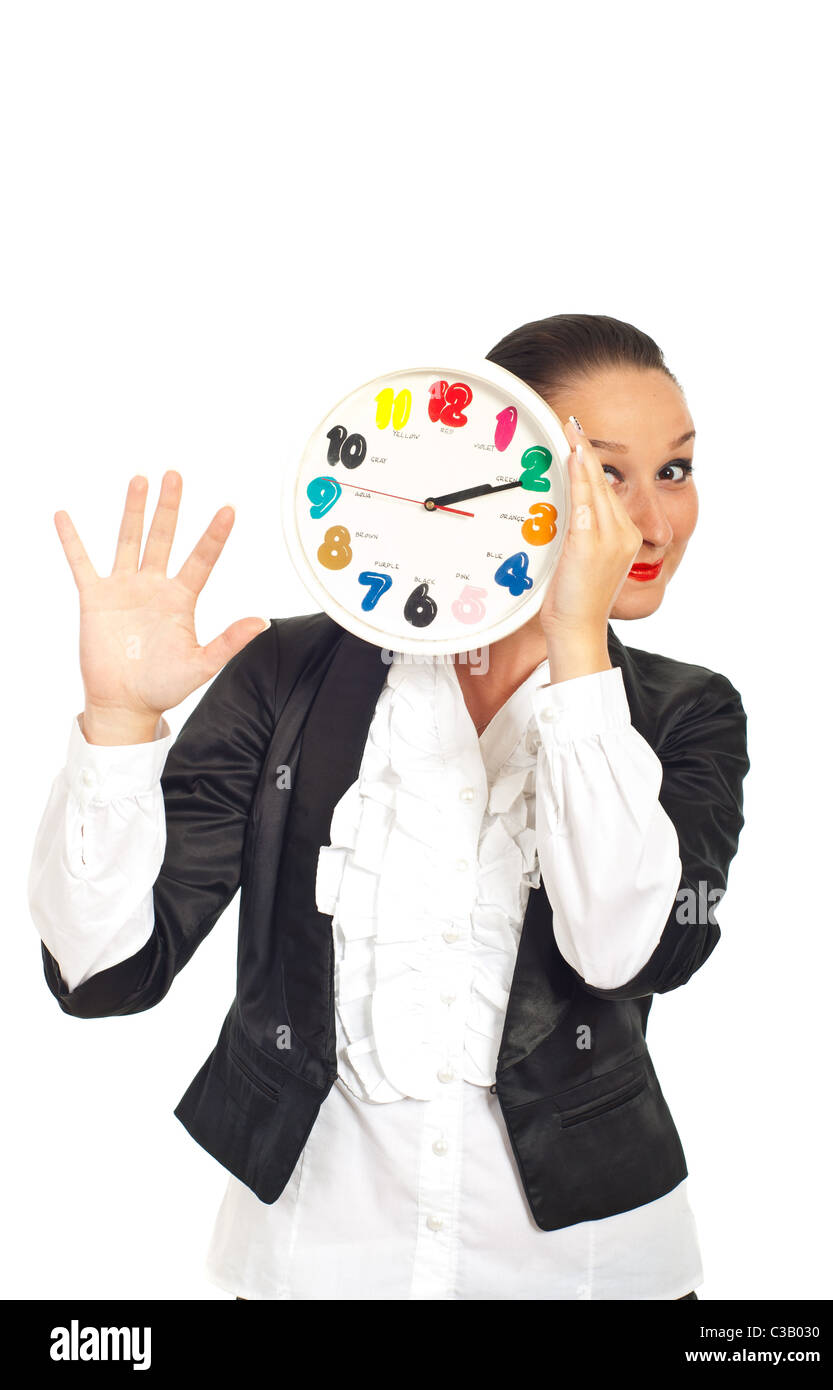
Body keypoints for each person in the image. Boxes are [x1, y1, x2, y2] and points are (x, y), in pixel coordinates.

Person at [28, 313, 749, 1300]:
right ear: (484, 479)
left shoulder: (687, 713)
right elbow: (103, 971)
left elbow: (628, 951)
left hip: (589, 1273)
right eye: (601, 476)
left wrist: (579, 653)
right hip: (315, 1267)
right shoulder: (285, 675)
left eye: (674, 470)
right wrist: (115, 721)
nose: (652, 523)